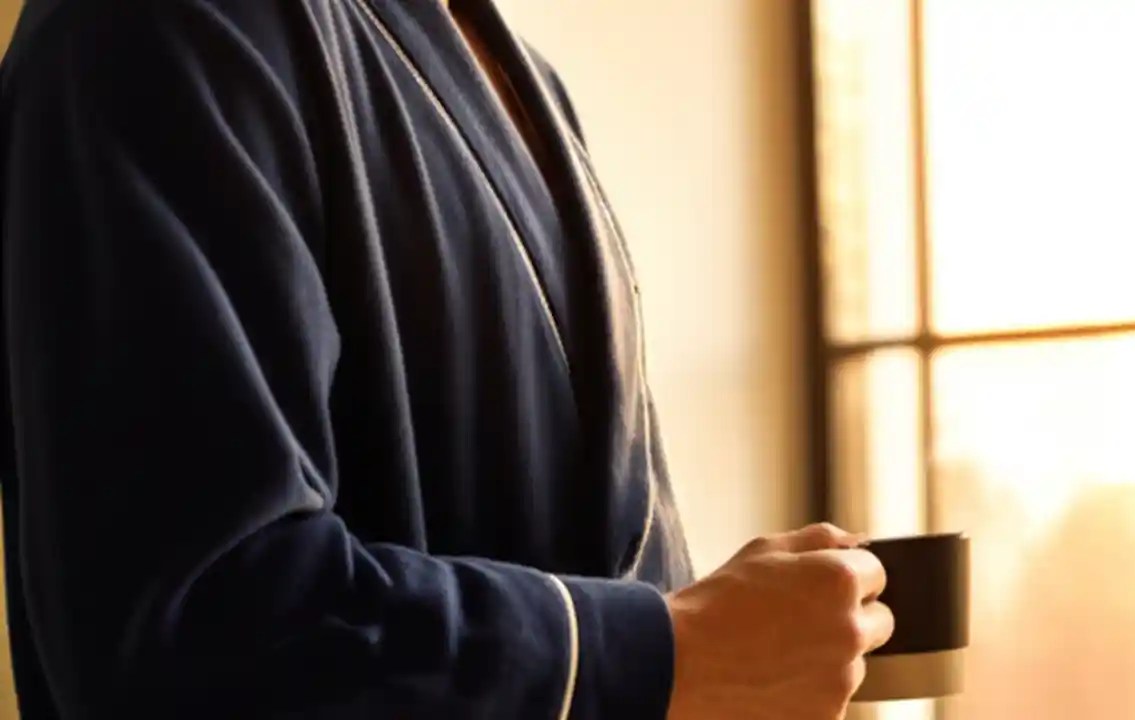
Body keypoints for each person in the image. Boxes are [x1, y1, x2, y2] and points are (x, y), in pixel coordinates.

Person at [0, 0, 894, 717]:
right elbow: (193, 627)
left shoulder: (524, 80)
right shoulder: (147, 27)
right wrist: (667, 655)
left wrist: (746, 658)